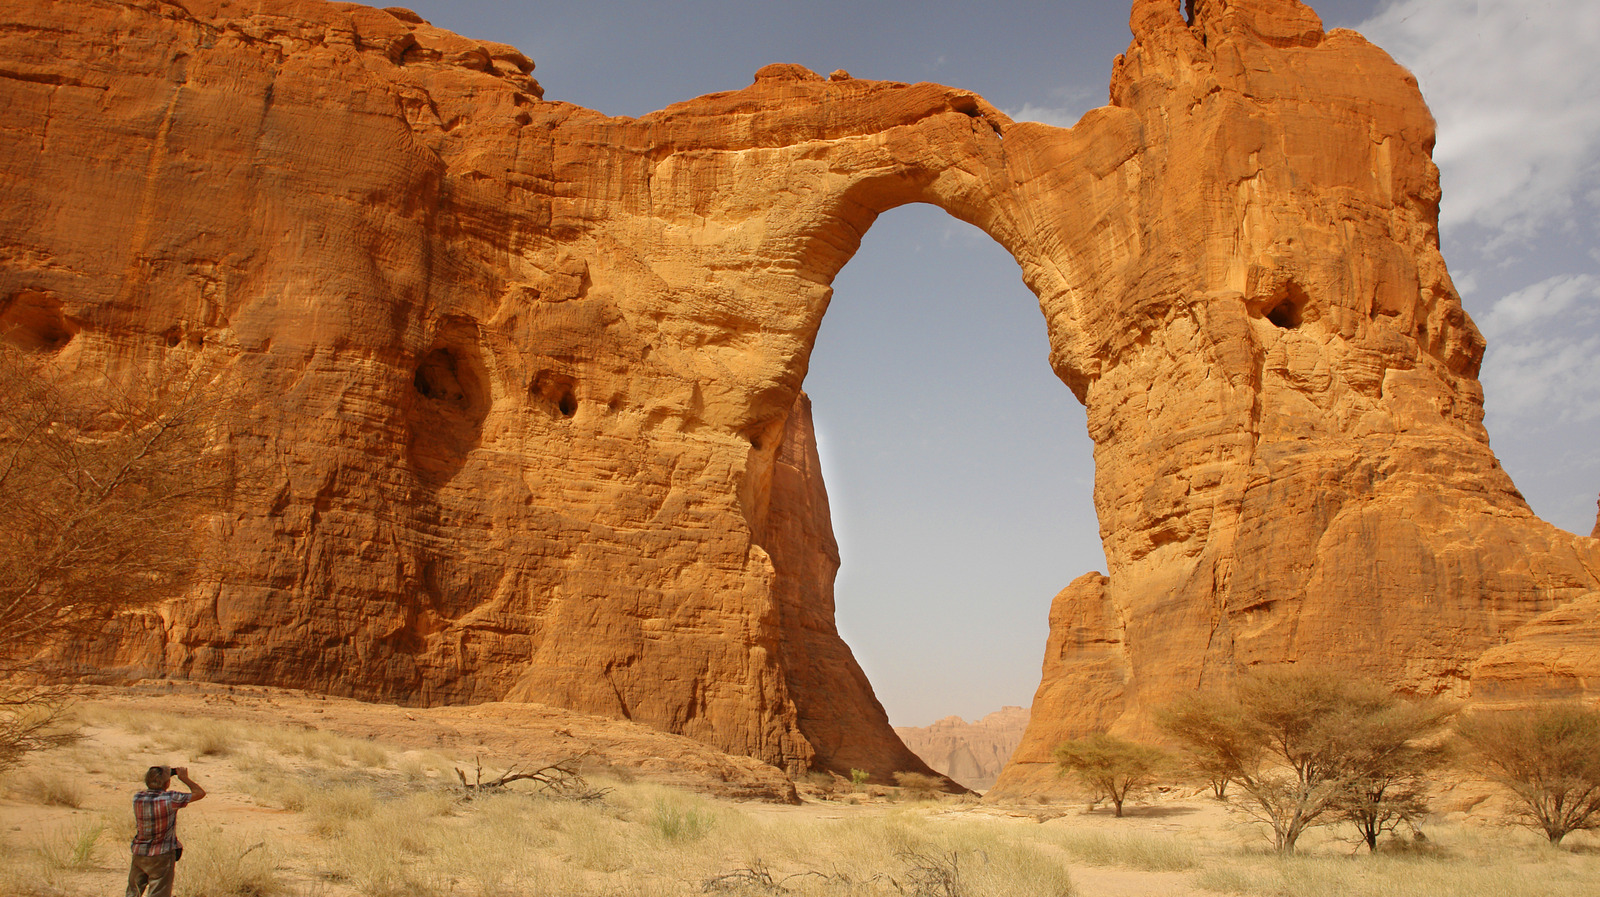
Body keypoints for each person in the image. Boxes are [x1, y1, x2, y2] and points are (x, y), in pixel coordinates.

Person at [126, 764, 206, 897]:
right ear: (167, 782)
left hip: (139, 851)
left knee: (133, 892)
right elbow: (200, 793)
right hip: (162, 853)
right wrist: (184, 778)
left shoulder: (138, 797)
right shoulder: (171, 799)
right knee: (158, 892)